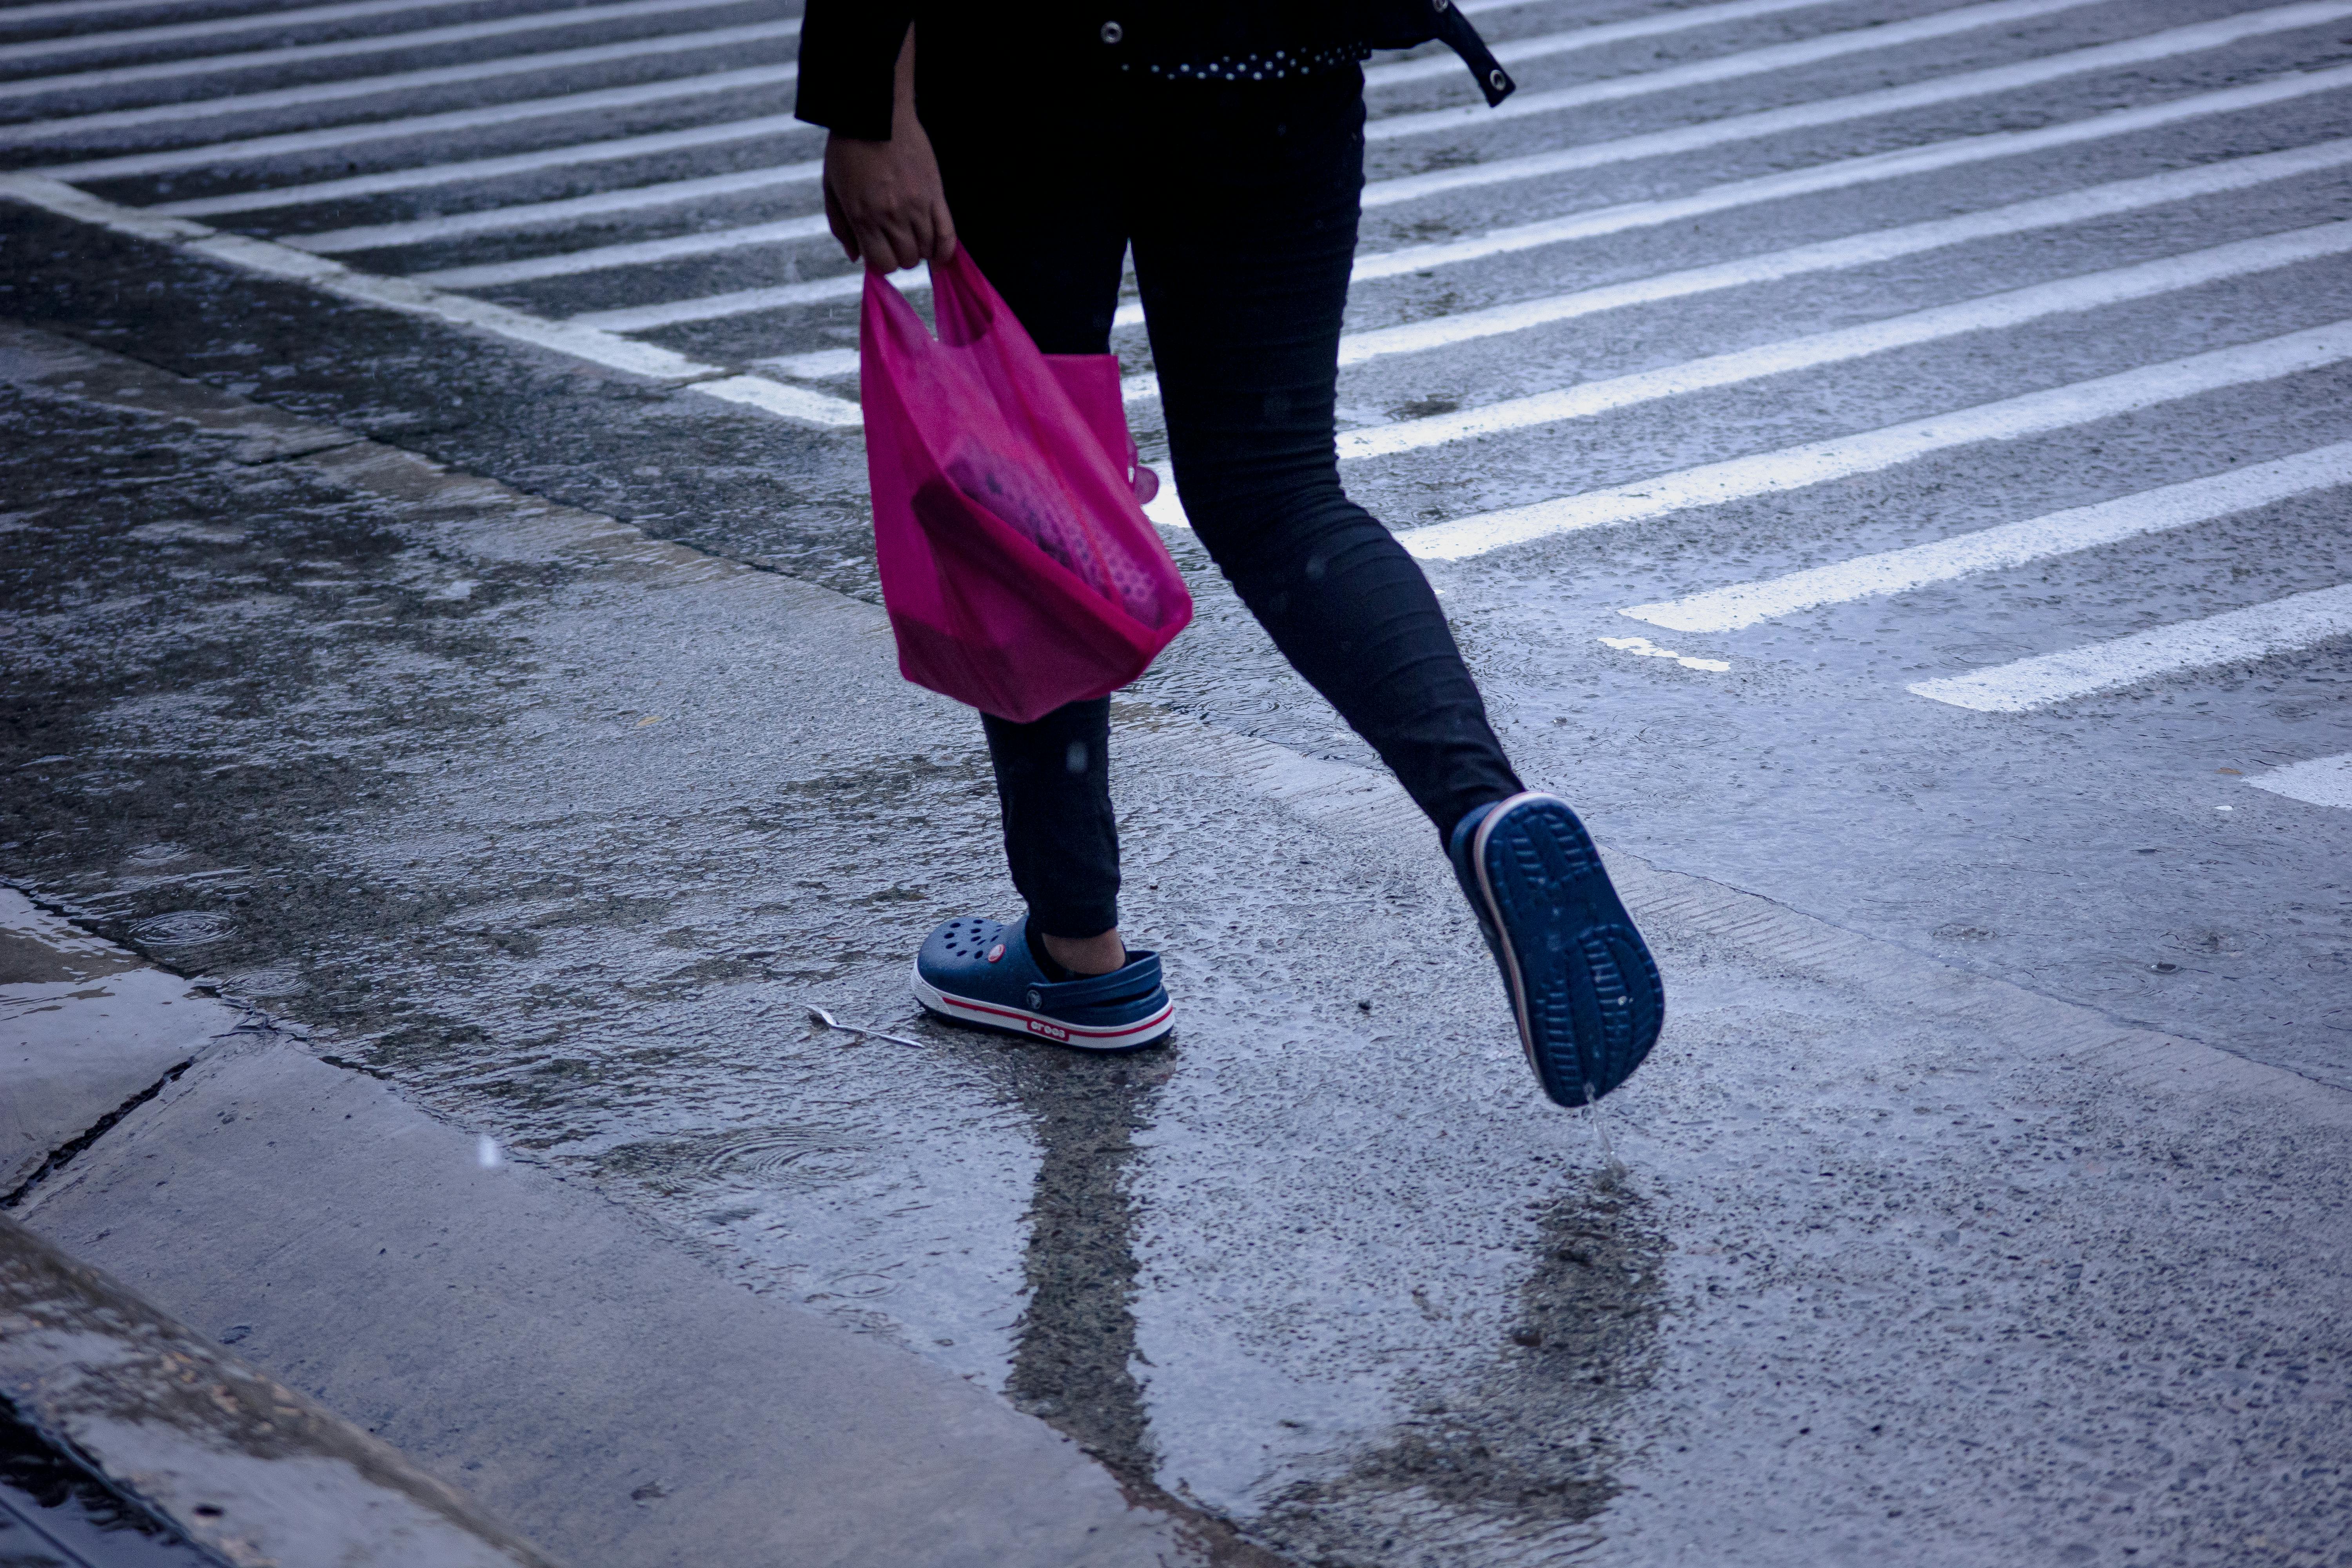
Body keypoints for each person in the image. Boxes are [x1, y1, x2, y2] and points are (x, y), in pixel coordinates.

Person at [796, 4, 1664, 1105]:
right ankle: (1484, 811)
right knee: (1280, 488)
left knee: (1031, 493)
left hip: (1042, 72)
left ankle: (1078, 960)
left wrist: (867, 102)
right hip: (1275, 56)